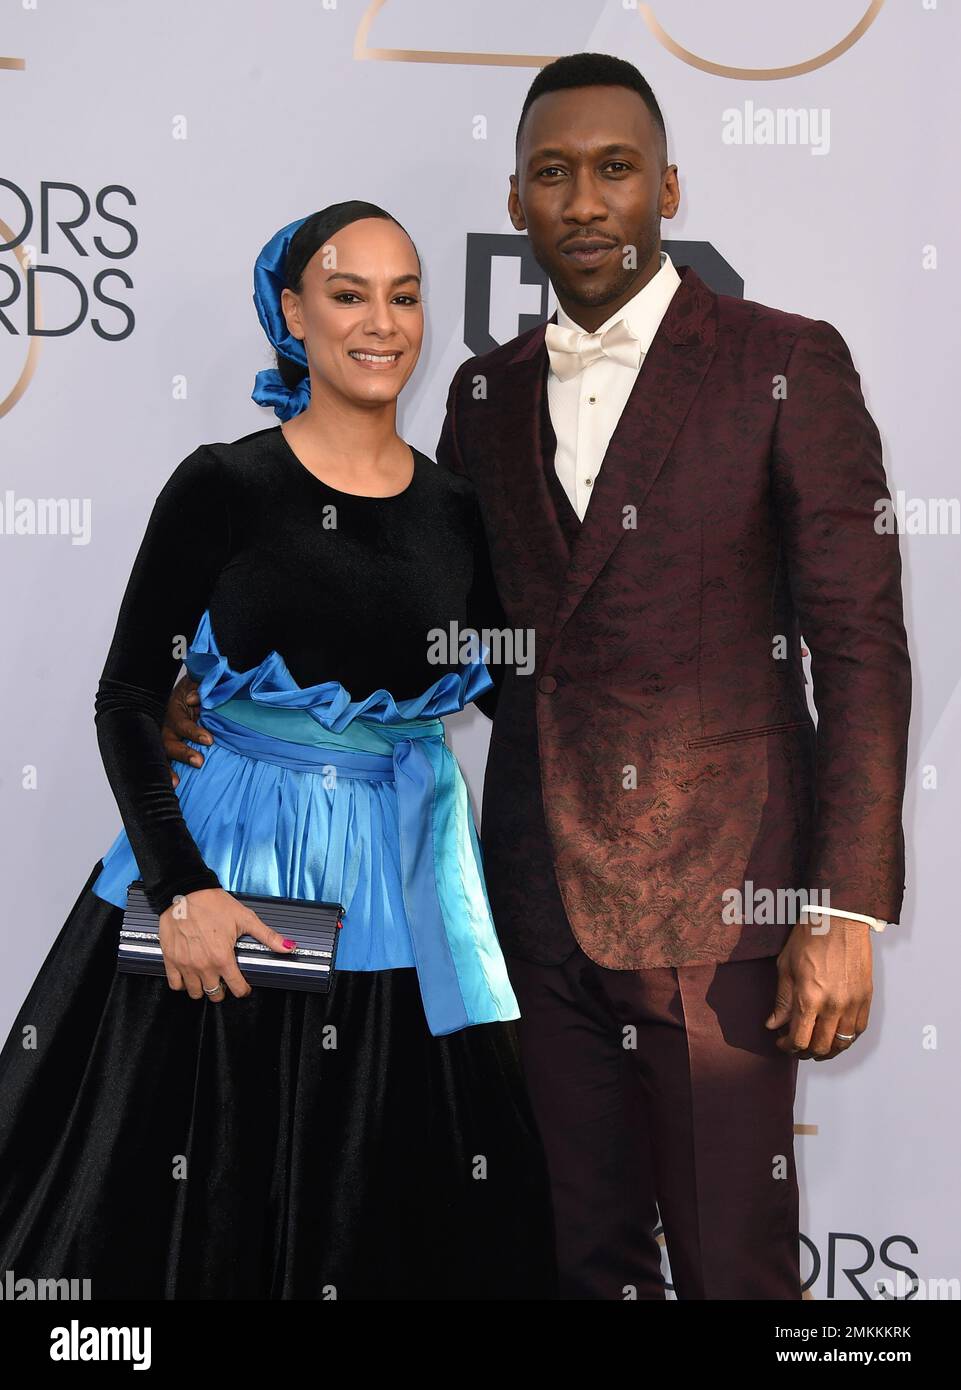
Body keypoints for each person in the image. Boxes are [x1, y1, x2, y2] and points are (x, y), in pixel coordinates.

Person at [0, 201, 557, 1300]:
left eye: (404, 296)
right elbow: (124, 693)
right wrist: (182, 891)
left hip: (403, 887)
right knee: (206, 1184)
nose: (381, 323)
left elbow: (514, 678)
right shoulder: (225, 484)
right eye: (349, 295)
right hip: (233, 884)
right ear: (291, 314)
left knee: (392, 1191)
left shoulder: (456, 507)